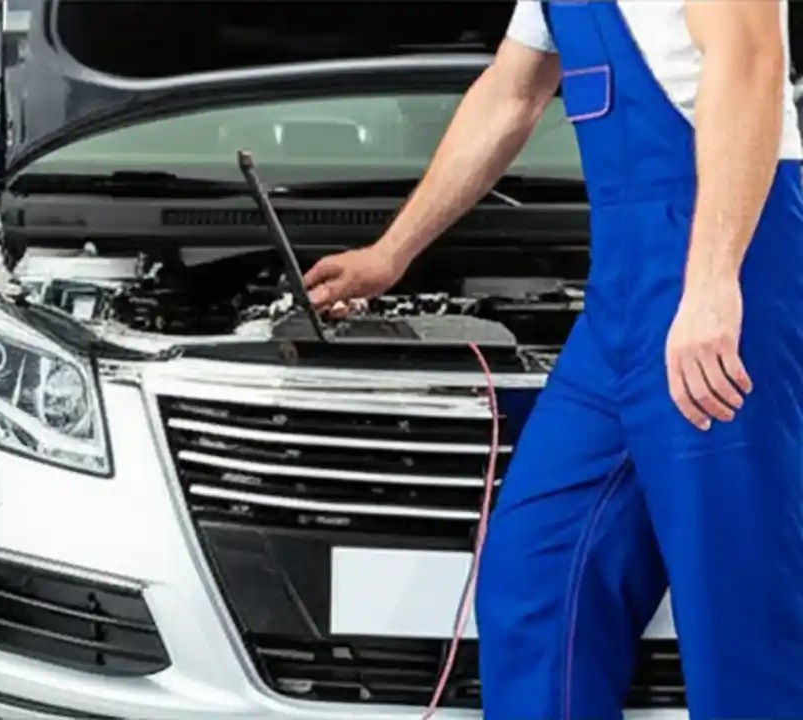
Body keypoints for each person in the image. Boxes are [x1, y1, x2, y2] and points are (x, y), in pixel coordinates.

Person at [303, 2, 803, 717]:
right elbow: (513, 92)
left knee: (740, 605)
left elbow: (751, 61)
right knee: (539, 571)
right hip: (622, 300)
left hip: (727, 266)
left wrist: (714, 283)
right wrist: (391, 253)